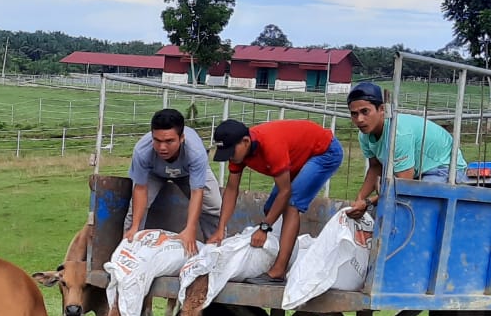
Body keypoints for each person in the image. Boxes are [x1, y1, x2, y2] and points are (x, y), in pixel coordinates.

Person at [208, 117, 344, 283]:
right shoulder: (239, 153)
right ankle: (279, 258)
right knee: (270, 209)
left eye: (231, 152)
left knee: (291, 204)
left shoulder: (271, 146)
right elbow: (231, 189)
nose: (230, 157)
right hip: (297, 156)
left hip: (324, 151)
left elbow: (285, 192)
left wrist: (264, 229)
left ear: (245, 141)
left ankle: (279, 270)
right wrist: (221, 228)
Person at [345, 81, 465, 218]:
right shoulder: (364, 134)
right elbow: (375, 167)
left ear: (382, 109)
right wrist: (359, 200)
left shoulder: (398, 133)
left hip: (445, 170)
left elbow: (404, 186)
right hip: (417, 174)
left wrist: (367, 202)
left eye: (365, 111)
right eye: (354, 114)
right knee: (386, 208)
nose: (359, 119)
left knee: (413, 211)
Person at [122, 108, 222, 255]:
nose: (162, 147)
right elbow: (140, 189)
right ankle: (128, 256)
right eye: (157, 141)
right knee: (133, 216)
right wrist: (135, 227)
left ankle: (215, 252)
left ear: (182, 138)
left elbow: (197, 192)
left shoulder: (196, 153)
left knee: (214, 206)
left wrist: (190, 228)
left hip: (188, 172)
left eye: (169, 141)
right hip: (154, 173)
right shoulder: (142, 151)